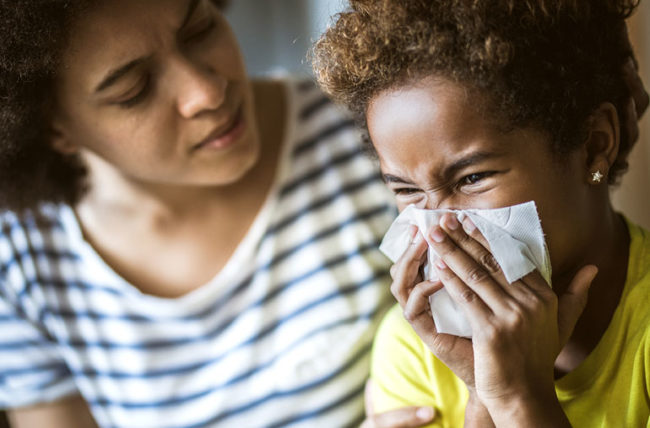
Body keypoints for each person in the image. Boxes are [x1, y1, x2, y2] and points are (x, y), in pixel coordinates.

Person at [0, 1, 403, 427]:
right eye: (134, 90)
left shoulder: (371, 136)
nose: (206, 92)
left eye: (199, 30)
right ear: (55, 129)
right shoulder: (22, 259)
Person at [313, 0, 650, 426]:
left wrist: (518, 399)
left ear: (595, 145)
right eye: (407, 190)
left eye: (471, 179)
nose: (438, 228)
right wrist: (483, 399)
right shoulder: (414, 349)